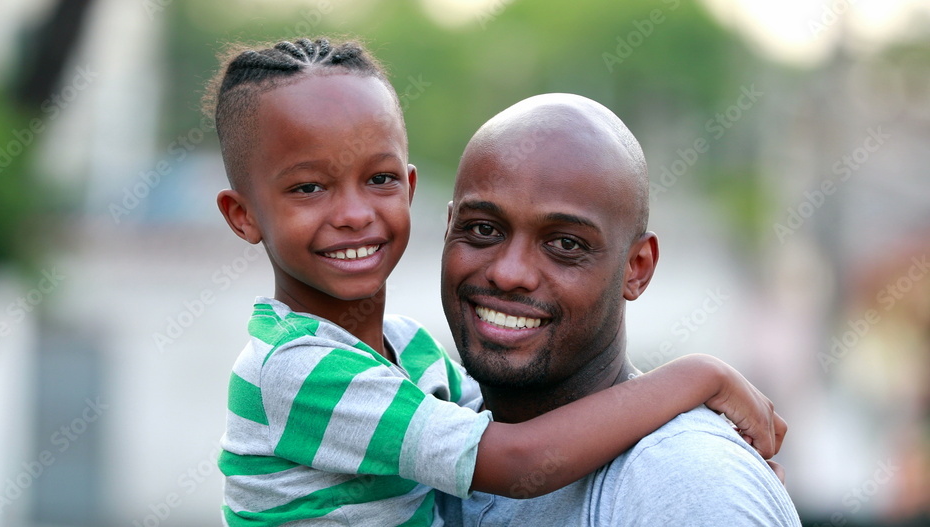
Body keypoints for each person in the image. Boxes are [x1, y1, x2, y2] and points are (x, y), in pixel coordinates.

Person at [205, 37, 785, 526]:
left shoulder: (408, 350)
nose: (354, 213)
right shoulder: (295, 369)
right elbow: (513, 459)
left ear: (408, 190)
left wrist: (712, 455)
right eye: (309, 188)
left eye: (565, 244)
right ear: (243, 215)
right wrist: (697, 375)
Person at [436, 93, 801, 525]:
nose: (510, 272)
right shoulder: (418, 428)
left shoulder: (683, 481)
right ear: (448, 228)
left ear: (637, 268)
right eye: (483, 229)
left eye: (565, 244)